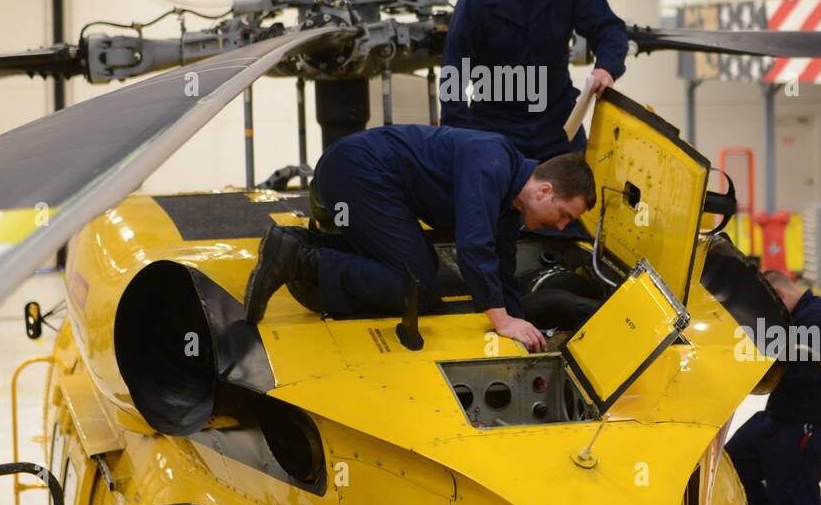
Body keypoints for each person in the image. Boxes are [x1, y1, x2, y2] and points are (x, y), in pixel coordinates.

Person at [244, 124, 596, 353]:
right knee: (420, 289)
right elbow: (474, 246)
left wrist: (520, 327)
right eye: (564, 214)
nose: (561, 227)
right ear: (544, 190)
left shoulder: (510, 196)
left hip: (360, 179)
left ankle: (297, 245)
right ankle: (300, 259)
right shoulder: (493, 162)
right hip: (355, 173)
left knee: (420, 269)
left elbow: (501, 264)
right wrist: (501, 321)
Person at [440, 0, 629, 160]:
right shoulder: (476, 1)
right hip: (494, 127)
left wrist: (607, 67)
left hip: (558, 125)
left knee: (579, 183)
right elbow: (453, 74)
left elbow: (609, 28)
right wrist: (461, 141)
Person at [725, 270, 821, 505]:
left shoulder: (816, 318)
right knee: (731, 466)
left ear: (778, 295)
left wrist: (756, 360)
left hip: (803, 424)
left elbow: (802, 373)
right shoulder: (794, 317)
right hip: (778, 416)